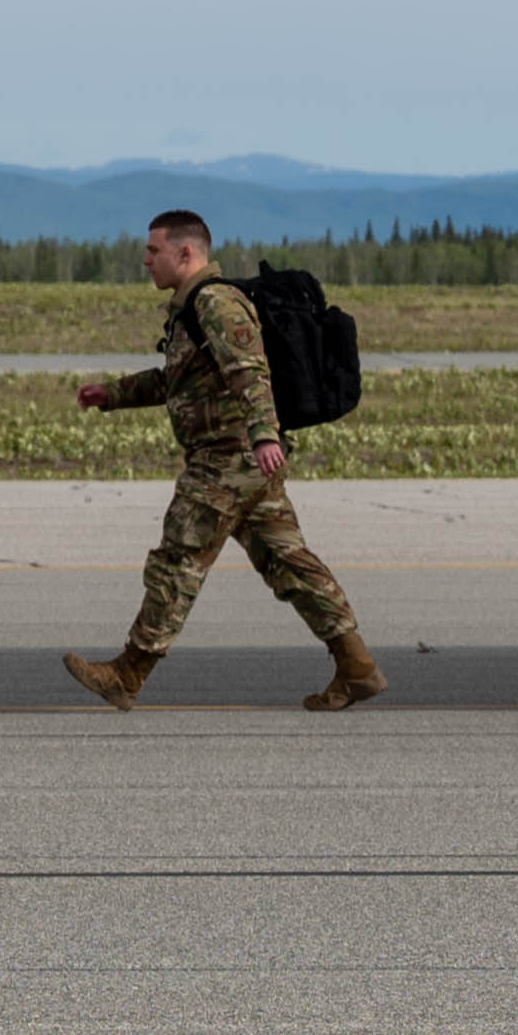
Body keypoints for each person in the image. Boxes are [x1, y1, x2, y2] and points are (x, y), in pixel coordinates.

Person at [62, 210, 379, 713]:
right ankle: (356, 665)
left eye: (153, 250)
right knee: (290, 564)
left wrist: (262, 434)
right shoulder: (192, 308)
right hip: (247, 465)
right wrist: (113, 394)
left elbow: (249, 371)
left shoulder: (216, 304)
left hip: (228, 462)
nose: (145, 260)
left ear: (185, 253)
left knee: (178, 559)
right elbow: (182, 383)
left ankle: (128, 673)